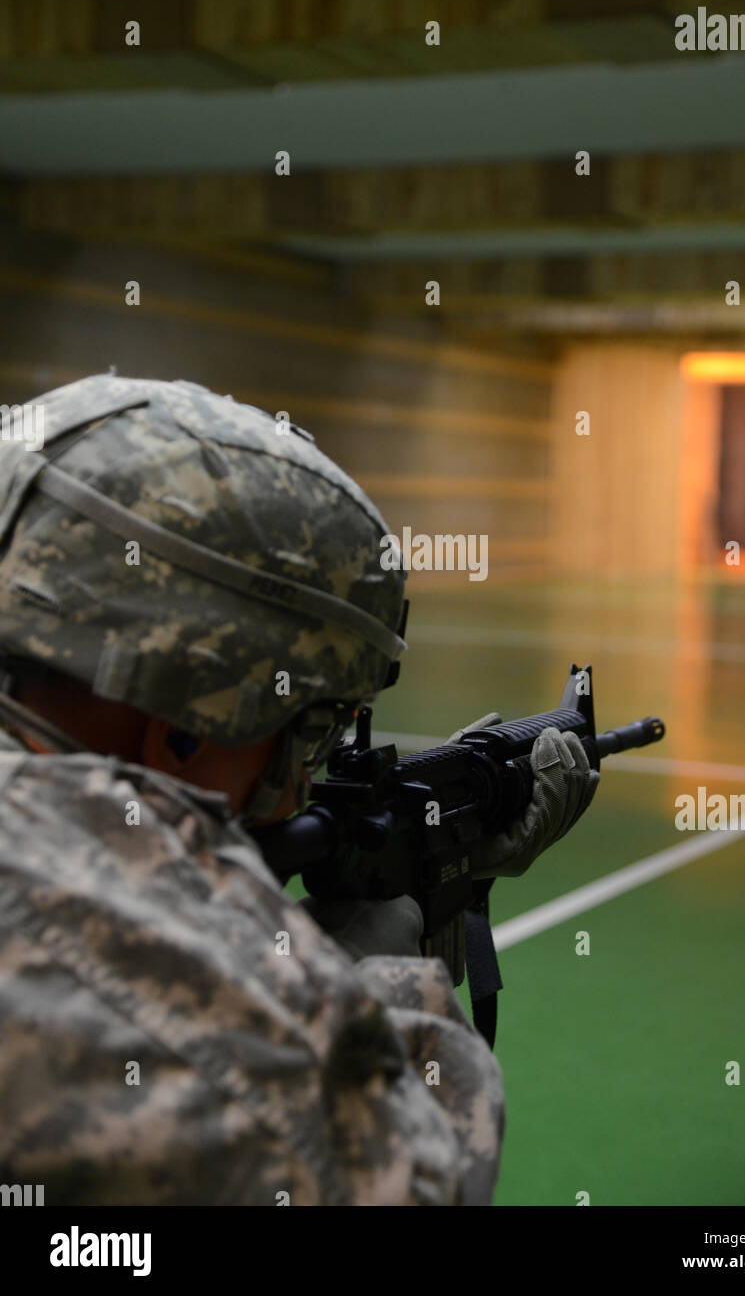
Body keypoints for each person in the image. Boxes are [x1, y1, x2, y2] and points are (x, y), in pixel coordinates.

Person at [0, 374, 597, 1205]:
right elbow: (404, 1185)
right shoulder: (105, 969)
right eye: (306, 732)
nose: (291, 798)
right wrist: (378, 972)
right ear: (191, 718)